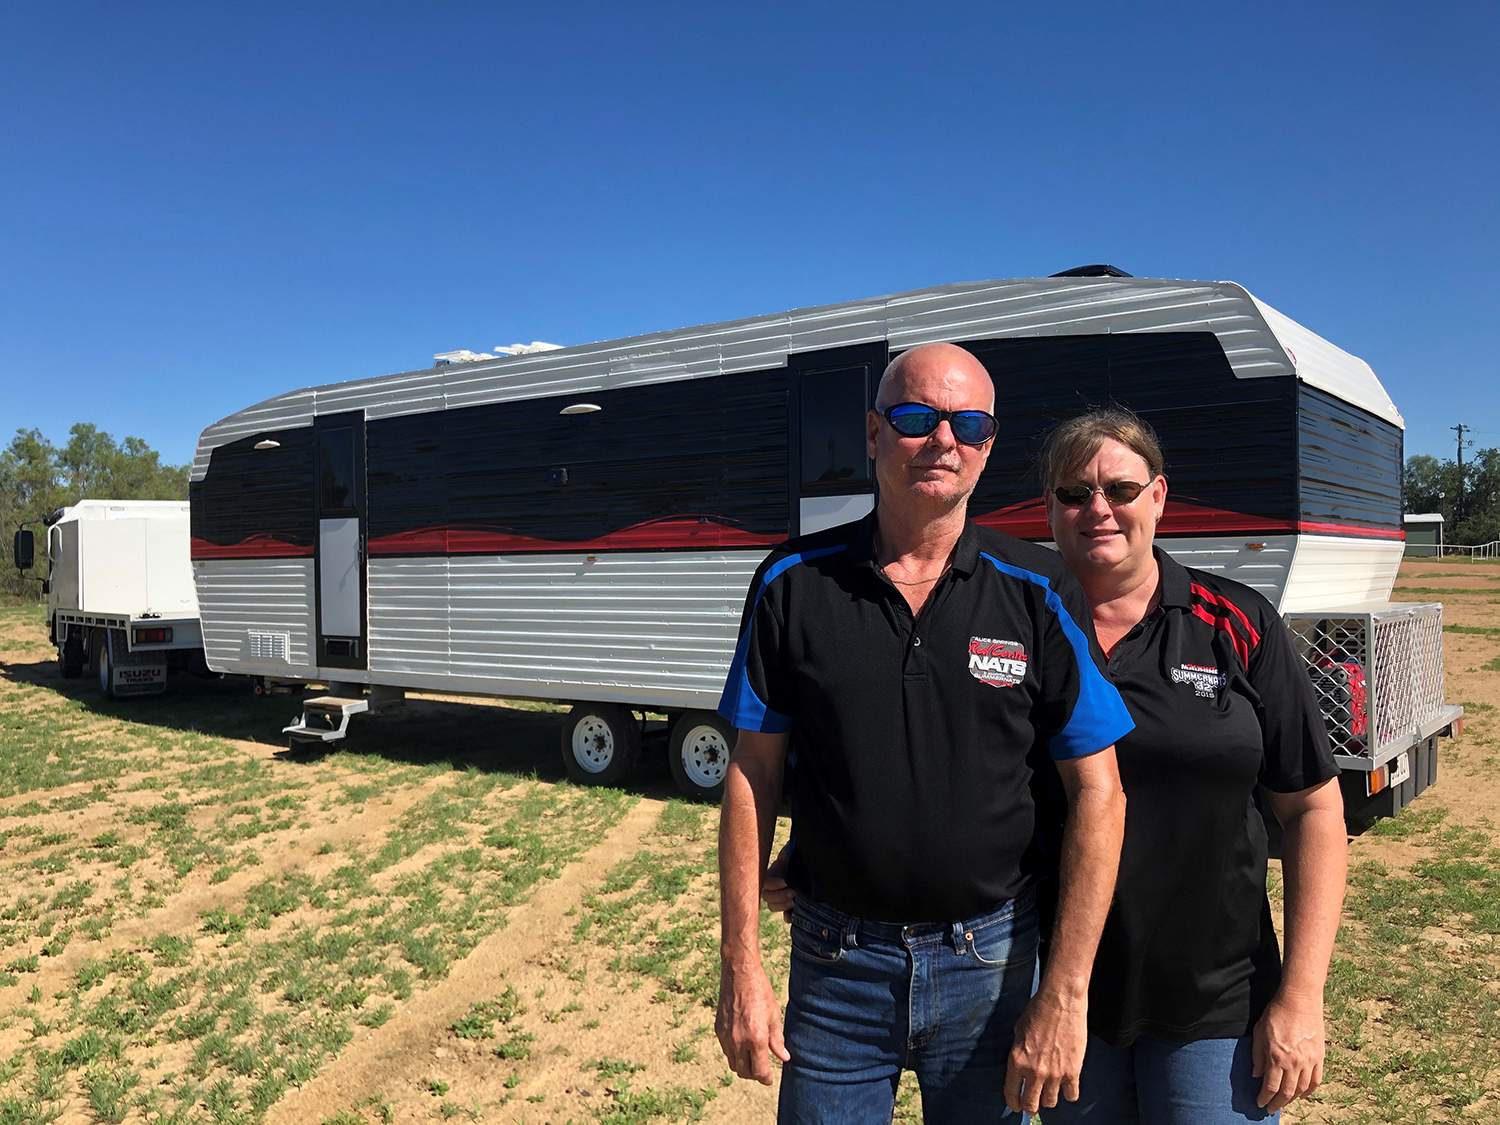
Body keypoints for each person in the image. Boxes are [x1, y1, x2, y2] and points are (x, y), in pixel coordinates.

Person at [714, 342, 1136, 1123]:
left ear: (988, 446)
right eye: (917, 418)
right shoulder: (792, 582)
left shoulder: (1040, 589)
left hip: (990, 963)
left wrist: (1065, 991)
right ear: (874, 432)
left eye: (969, 424)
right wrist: (740, 960)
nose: (944, 440)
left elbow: (1099, 793)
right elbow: (752, 773)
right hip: (835, 968)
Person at [1029, 409, 1347, 1123]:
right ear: (1049, 508)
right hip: (1058, 997)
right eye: (1075, 493)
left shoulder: (1235, 621)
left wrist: (1302, 996)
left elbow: (1313, 807)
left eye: (1121, 489)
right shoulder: (1020, 626)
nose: (1098, 508)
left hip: (1216, 999)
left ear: (1159, 497)